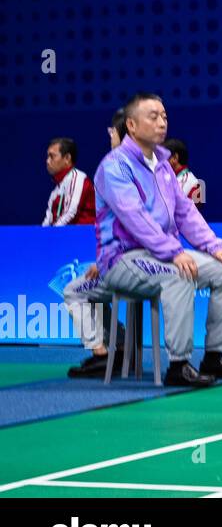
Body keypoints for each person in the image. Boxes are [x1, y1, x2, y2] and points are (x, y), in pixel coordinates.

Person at [94, 93, 222, 388]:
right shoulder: (115, 167)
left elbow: (184, 211)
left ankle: (214, 356)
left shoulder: (163, 165)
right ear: (132, 124)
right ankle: (179, 365)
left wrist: (213, 246)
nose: (161, 122)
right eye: (152, 116)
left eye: (164, 116)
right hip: (122, 260)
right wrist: (174, 252)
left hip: (160, 254)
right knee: (178, 274)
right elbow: (135, 217)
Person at [62, 110, 128, 378]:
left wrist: (104, 261)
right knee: (93, 292)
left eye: (113, 131)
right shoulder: (146, 166)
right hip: (129, 258)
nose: (109, 134)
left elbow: (129, 225)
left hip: (126, 263)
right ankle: (121, 347)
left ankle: (101, 353)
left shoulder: (116, 171)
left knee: (73, 292)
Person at [43, 138, 96, 226]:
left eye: (52, 156)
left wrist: (51, 235)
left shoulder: (78, 178)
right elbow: (47, 221)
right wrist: (40, 236)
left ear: (67, 158)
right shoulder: (56, 191)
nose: (47, 161)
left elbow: (70, 213)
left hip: (83, 237)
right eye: (47, 156)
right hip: (65, 236)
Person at [163, 138, 203, 206]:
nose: (160, 161)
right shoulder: (166, 178)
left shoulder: (193, 184)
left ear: (175, 158)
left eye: (163, 156)